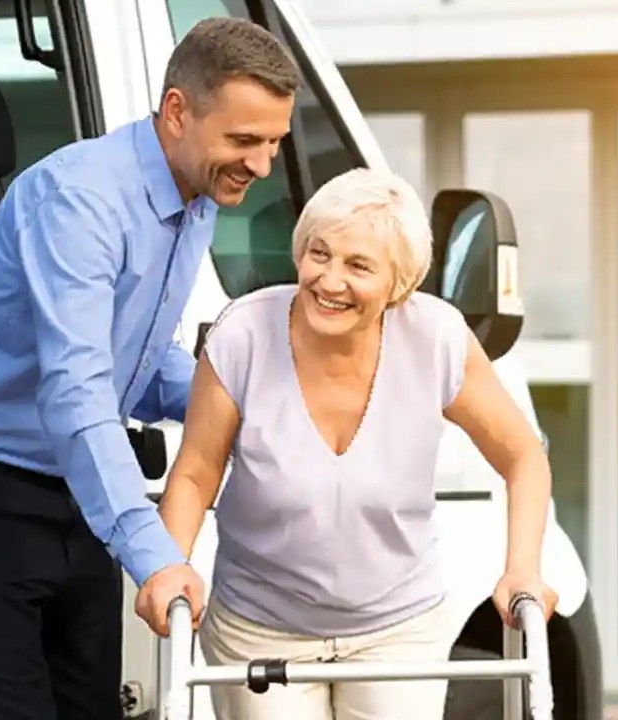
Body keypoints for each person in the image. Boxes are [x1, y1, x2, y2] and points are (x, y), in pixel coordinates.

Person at [0, 17, 297, 719]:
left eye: (275, 144)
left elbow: (132, 357)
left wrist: (244, 405)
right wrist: (155, 553)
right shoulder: (82, 198)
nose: (260, 166)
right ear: (176, 112)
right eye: (244, 141)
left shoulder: (193, 196)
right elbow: (76, 388)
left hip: (70, 495)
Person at [156, 167, 560, 719]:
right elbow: (195, 473)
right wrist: (169, 567)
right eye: (318, 254)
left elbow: (523, 455)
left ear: (399, 283)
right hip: (260, 626)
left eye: (358, 266)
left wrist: (522, 569)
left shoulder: (436, 338)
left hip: (397, 628)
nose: (329, 280)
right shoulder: (243, 335)